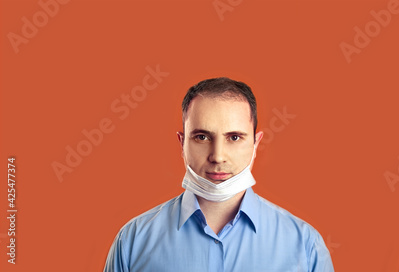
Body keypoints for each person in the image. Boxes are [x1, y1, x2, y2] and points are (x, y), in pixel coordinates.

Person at [104, 77, 334, 272]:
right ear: (182, 143)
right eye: (202, 137)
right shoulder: (133, 241)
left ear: (255, 144)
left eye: (234, 137)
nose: (218, 156)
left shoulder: (305, 244)